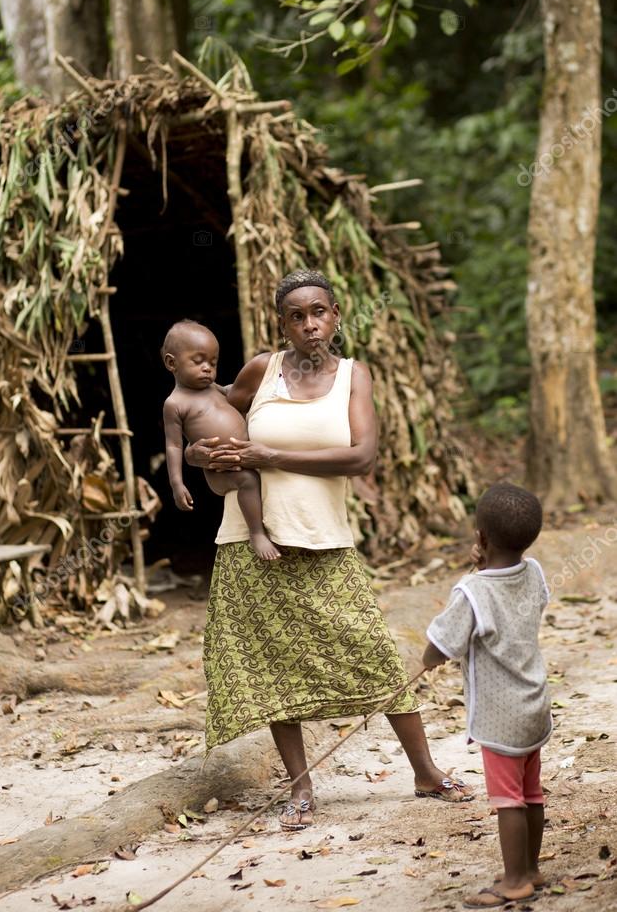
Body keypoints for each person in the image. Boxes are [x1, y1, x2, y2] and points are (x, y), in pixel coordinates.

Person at [185, 268, 473, 831]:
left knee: (377, 654)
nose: (310, 324)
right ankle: (300, 789)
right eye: (297, 316)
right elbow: (203, 411)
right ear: (283, 324)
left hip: (323, 540)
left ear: (336, 315)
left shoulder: (352, 376)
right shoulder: (260, 371)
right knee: (273, 667)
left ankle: (426, 773)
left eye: (319, 311)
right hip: (251, 539)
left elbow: (361, 457)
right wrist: (197, 454)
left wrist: (268, 455)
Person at [423, 482, 551, 909]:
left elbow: (443, 644)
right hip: (534, 705)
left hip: (500, 718)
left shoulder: (472, 591)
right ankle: (531, 868)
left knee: (507, 801)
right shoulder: (534, 572)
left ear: (479, 538)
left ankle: (514, 880)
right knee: (531, 794)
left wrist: (425, 661)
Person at [162, 319, 280, 561]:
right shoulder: (175, 404)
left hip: (246, 456)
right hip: (220, 471)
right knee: (248, 480)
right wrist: (177, 483)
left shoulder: (214, 388)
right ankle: (256, 533)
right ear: (171, 363)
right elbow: (173, 445)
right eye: (198, 361)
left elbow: (236, 391)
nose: (207, 368)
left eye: (212, 363)